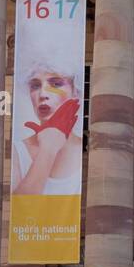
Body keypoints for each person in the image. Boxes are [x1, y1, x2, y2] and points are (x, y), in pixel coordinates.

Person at [13, 63, 83, 195]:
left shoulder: (93, 151)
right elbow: (22, 208)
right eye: (35, 85)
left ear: (75, 91)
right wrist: (48, 149)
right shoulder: (17, 152)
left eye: (56, 84)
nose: (43, 94)